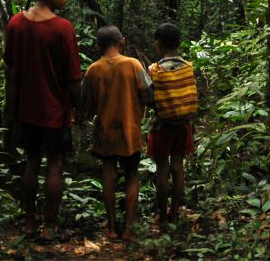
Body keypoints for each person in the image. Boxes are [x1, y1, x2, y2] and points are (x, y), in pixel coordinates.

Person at [3, 0, 82, 242]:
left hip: (26, 109)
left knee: (31, 161)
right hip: (54, 110)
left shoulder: (15, 24)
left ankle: (28, 222)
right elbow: (73, 77)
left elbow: (10, 68)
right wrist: (79, 107)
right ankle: (48, 225)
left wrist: (11, 108)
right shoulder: (62, 28)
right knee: (55, 164)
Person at [83, 25, 152, 240]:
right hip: (130, 131)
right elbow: (148, 94)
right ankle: (129, 228)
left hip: (105, 132)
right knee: (132, 176)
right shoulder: (133, 64)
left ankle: (112, 228)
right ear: (120, 41)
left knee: (108, 175)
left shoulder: (93, 70)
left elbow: (87, 105)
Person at [147, 23, 198, 231]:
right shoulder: (188, 66)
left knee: (162, 171)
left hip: (162, 126)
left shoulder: (154, 70)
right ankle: (175, 214)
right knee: (178, 169)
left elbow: (150, 98)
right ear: (178, 44)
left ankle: (163, 217)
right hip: (183, 125)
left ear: (158, 45)